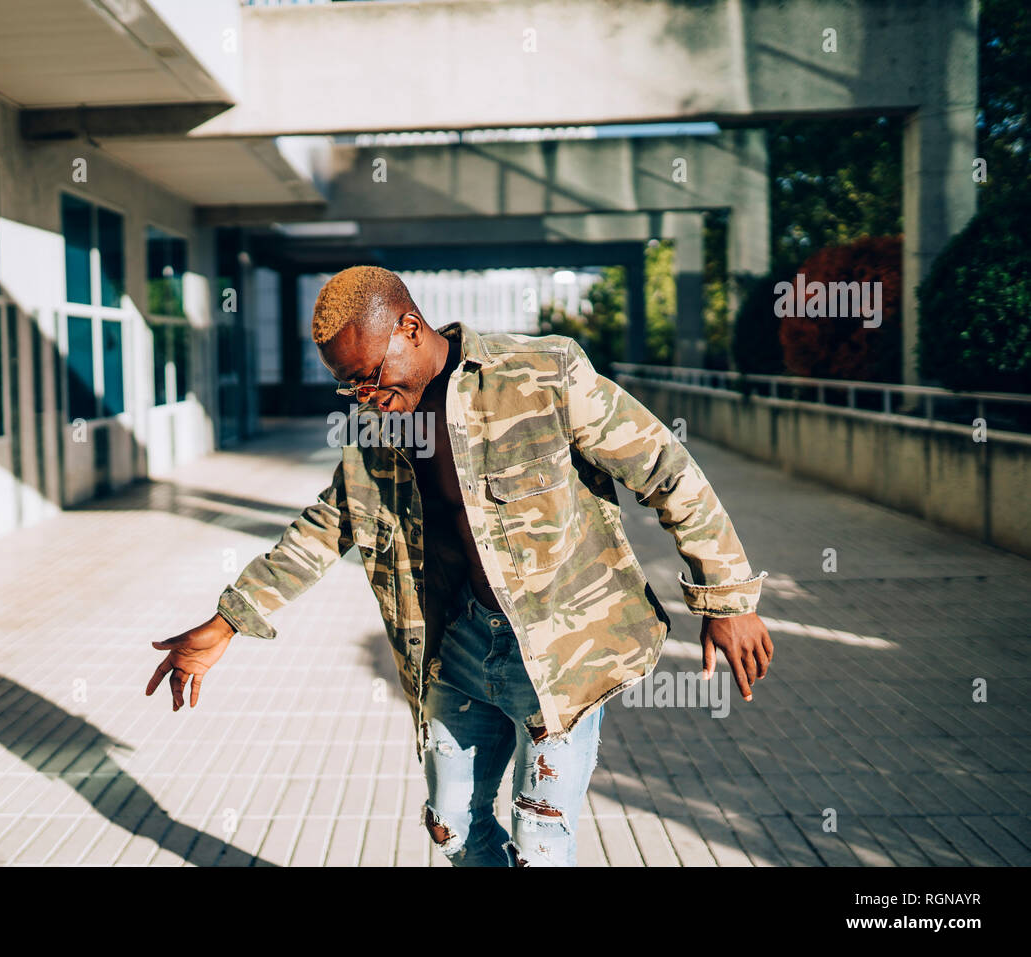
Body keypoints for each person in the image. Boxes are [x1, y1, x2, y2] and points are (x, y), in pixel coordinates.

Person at [146, 265, 773, 866]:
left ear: (411, 328)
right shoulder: (376, 426)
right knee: (450, 828)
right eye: (350, 386)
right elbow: (328, 523)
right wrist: (227, 622)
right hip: (461, 646)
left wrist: (728, 599)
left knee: (540, 847)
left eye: (370, 374)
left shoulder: (539, 374)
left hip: (560, 656)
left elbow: (666, 468)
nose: (365, 396)